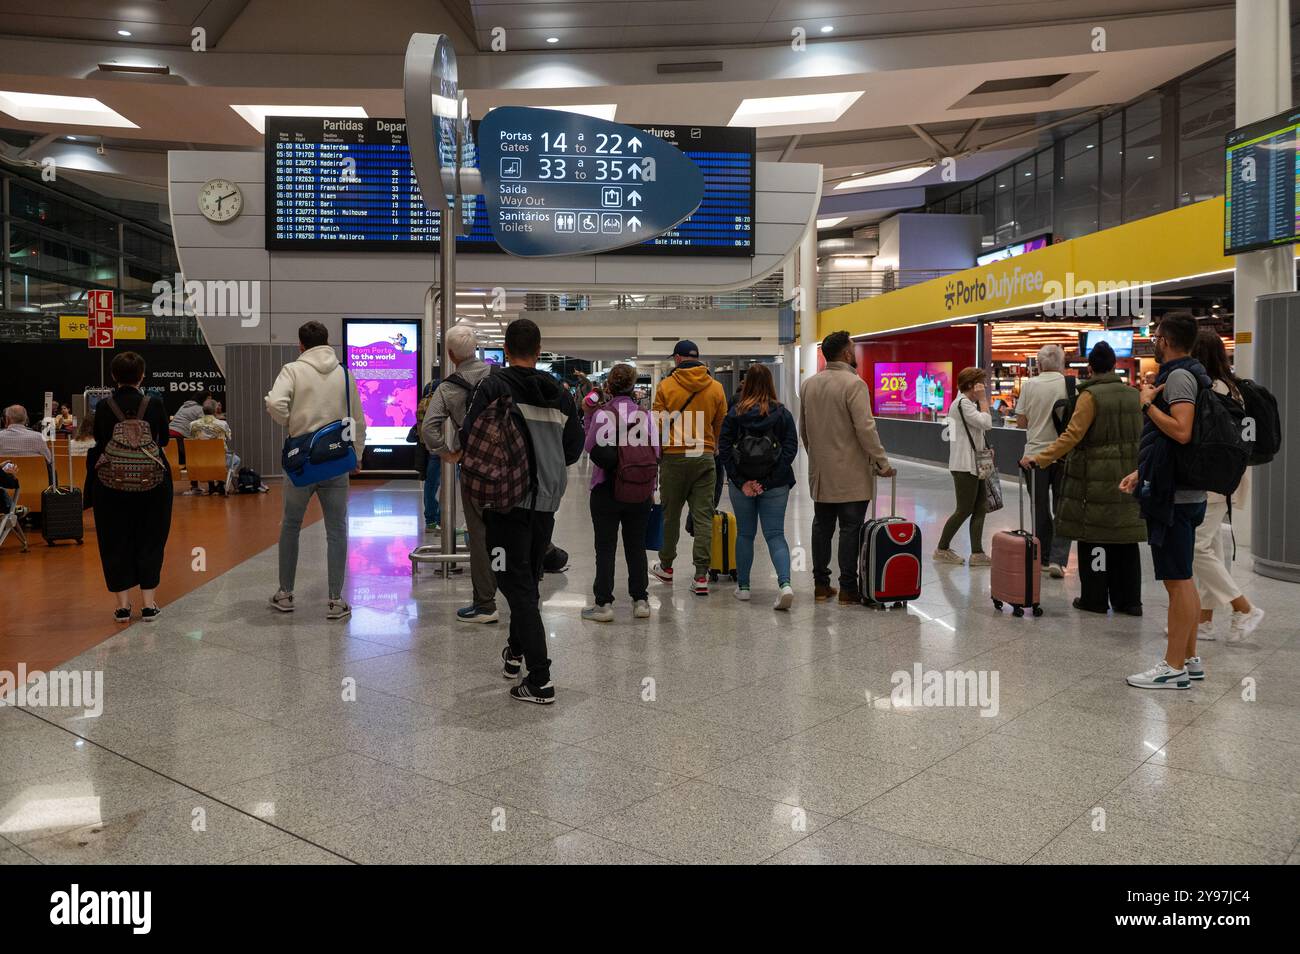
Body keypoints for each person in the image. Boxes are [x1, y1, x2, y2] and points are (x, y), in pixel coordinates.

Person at [461, 318, 583, 704]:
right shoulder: (559, 392)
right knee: (526, 580)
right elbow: (573, 448)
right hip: (546, 501)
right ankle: (514, 653)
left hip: (505, 501)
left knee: (514, 585)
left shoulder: (493, 386)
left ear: (506, 349)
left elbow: (469, 436)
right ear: (539, 350)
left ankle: (540, 678)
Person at [1121, 312, 1211, 690]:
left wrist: (1146, 405)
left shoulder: (1178, 377)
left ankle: (1173, 667)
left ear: (1168, 341)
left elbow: (1182, 431)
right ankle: (1189, 659)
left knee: (1178, 581)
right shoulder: (1191, 373)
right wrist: (1141, 471)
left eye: (1156, 337)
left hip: (1175, 497)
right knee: (1182, 578)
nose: (1154, 343)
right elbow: (1170, 444)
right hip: (1179, 488)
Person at [1021, 341, 1145, 615]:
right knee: (1125, 538)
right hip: (1128, 474)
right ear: (1114, 365)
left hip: (1096, 476)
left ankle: (1094, 598)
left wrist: (1041, 458)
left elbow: (1072, 436)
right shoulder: (1132, 395)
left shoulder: (1090, 396)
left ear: (1090, 367)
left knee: (1094, 536)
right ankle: (1130, 601)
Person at [264, 320, 366, 621]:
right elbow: (358, 419)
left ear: (301, 345)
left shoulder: (292, 370)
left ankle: (285, 593)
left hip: (301, 463)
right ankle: (335, 600)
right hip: (336, 461)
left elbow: (275, 403)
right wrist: (358, 454)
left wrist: (291, 421)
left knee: (291, 525)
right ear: (327, 341)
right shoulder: (345, 374)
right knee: (337, 529)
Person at [799, 330, 895, 602]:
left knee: (822, 527)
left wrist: (817, 458)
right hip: (851, 474)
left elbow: (804, 430)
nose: (855, 353)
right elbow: (866, 429)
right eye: (853, 348)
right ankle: (847, 588)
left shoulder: (809, 385)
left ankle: (820, 585)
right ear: (846, 353)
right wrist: (882, 463)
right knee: (850, 528)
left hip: (821, 474)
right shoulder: (854, 384)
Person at [1189, 328, 1265, 642]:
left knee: (1196, 547)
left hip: (1212, 480)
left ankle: (1243, 607)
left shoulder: (1211, 389)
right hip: (1226, 477)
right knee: (1211, 548)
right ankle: (1204, 621)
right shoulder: (1231, 387)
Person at [87, 352, 172, 624]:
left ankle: (123, 607)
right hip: (153, 483)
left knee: (114, 540)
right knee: (151, 538)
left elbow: (100, 441)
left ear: (114, 376)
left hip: (110, 484)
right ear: (142, 375)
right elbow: (164, 440)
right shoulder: (154, 404)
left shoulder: (104, 406)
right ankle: (148, 605)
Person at [422, 324, 498, 624]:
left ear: (451, 355)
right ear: (476, 348)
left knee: (478, 534)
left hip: (473, 465)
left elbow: (428, 428)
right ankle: (522, 595)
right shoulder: (498, 376)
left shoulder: (448, 387)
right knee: (510, 527)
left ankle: (485, 603)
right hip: (507, 466)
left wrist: (448, 453)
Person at [582, 363, 659, 622]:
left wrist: (588, 417)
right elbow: (656, 452)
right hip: (639, 489)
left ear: (609, 387)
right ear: (633, 386)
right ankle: (641, 601)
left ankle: (603, 604)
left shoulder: (603, 414)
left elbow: (589, 446)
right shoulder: (645, 415)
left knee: (605, 547)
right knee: (636, 546)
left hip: (606, 488)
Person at [650, 340, 728, 596]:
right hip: (703, 455)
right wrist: (712, 445)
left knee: (670, 515)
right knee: (703, 517)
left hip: (674, 456)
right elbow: (720, 422)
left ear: (678, 359)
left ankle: (666, 566)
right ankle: (701, 576)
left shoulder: (666, 386)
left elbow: (658, 424)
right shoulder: (716, 387)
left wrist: (660, 451)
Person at [718, 363, 798, 610]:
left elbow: (724, 450)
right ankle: (785, 584)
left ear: (747, 384)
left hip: (742, 485)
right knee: (775, 534)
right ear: (770, 384)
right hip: (775, 485)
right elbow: (790, 449)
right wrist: (768, 482)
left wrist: (741, 481)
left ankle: (743, 587)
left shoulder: (734, 414)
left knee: (745, 534)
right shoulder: (782, 414)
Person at [1014, 344, 1072, 577]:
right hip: (1063, 455)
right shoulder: (1071, 384)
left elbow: (1021, 422)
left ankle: (1043, 556)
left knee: (1039, 507)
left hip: (1034, 457)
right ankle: (1058, 560)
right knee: (1063, 507)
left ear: (1038, 365)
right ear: (1062, 364)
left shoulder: (1029, 385)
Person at [935, 367, 994, 566]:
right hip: (964, 465)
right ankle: (942, 548)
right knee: (964, 509)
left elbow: (975, 431)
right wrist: (984, 400)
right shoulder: (963, 404)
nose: (984, 386)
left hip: (974, 464)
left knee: (980, 507)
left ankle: (977, 553)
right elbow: (987, 423)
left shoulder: (967, 404)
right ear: (971, 385)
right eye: (981, 383)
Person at [189, 399, 240, 494]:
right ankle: (221, 483)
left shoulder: (192, 425)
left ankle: (211, 485)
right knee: (236, 459)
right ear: (215, 410)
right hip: (218, 459)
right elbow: (229, 438)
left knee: (208, 455)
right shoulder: (223, 424)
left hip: (200, 460)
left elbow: (192, 439)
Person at [413, 373, 441, 534]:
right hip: (440, 447)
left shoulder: (427, 392)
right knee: (441, 486)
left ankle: (433, 520)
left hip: (427, 447)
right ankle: (436, 521)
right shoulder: (441, 392)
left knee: (431, 485)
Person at [169, 395, 207, 495]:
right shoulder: (200, 409)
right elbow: (204, 425)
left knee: (170, 462)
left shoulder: (184, 406)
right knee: (192, 460)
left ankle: (165, 487)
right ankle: (194, 487)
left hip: (169, 433)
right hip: (180, 435)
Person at [0, 405, 54, 469]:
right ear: (26, 419)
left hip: (4, 475)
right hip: (35, 475)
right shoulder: (39, 437)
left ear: (7, 419)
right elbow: (49, 460)